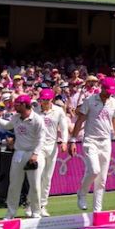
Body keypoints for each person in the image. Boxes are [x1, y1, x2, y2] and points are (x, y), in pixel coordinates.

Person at [0, 95, 45, 220]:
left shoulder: (37, 119)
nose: (14, 106)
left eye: (17, 104)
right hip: (19, 153)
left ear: (25, 105)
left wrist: (35, 154)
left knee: (35, 185)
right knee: (14, 184)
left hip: (34, 153)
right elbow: (7, 126)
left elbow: (41, 139)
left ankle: (36, 211)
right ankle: (11, 212)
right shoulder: (16, 117)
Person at [72, 76, 115, 212]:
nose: (109, 93)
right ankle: (81, 193)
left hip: (106, 142)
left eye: (112, 90)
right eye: (107, 90)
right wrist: (72, 140)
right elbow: (80, 120)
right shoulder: (90, 100)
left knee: (102, 179)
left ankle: (97, 211)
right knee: (94, 170)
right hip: (90, 140)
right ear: (102, 87)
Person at [35, 88, 71, 216]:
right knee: (37, 175)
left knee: (47, 177)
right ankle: (33, 205)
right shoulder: (35, 111)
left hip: (52, 147)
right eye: (42, 99)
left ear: (51, 99)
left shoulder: (58, 111)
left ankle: (42, 205)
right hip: (38, 147)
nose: (44, 102)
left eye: (46, 99)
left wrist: (64, 141)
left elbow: (64, 128)